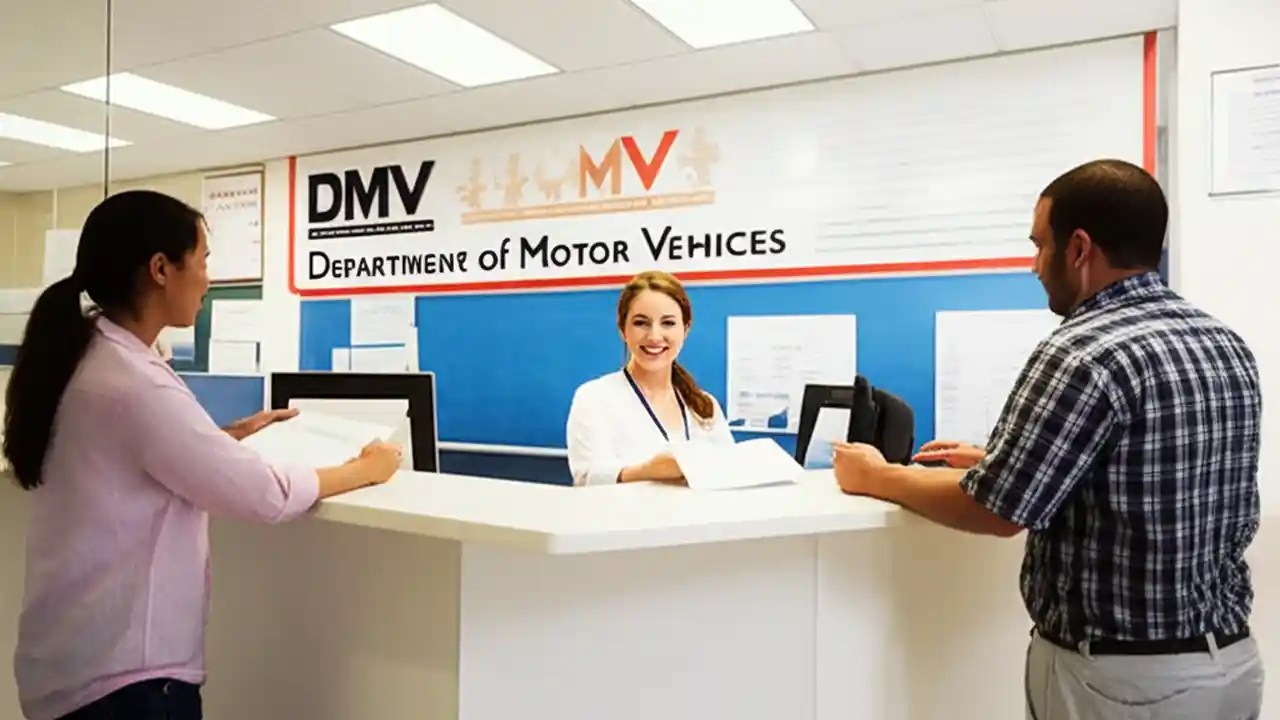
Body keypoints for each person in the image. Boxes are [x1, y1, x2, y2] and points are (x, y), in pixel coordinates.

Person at [831, 159, 1264, 718]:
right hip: (1228, 667)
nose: (1035, 265)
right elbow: (1157, 463)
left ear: (1079, 249)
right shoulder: (1222, 340)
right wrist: (1000, 457)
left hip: (1122, 683)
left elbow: (996, 511)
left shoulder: (1081, 349)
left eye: (1040, 245)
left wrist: (876, 476)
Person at [1, 190, 402, 720]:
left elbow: (131, 457)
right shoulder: (133, 382)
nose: (209, 279)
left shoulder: (89, 356)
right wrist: (365, 469)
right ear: (161, 268)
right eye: (205, 259)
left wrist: (228, 437)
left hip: (72, 664)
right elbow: (265, 496)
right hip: (126, 684)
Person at [566, 270, 733, 486]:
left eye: (668, 323)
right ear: (622, 329)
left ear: (686, 329)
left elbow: (729, 473)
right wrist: (648, 470)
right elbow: (586, 478)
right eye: (641, 323)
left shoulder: (705, 406)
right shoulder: (594, 398)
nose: (654, 336)